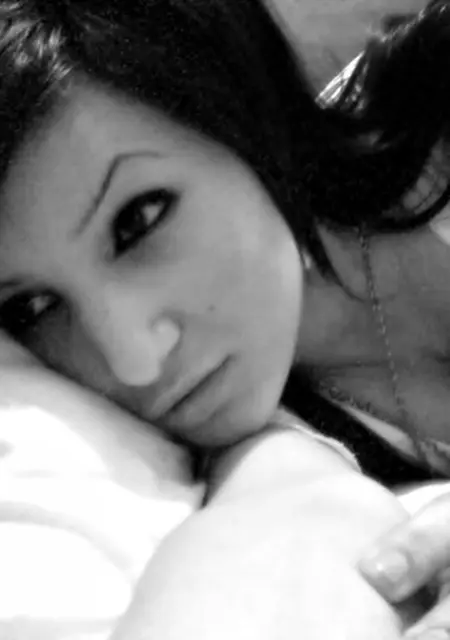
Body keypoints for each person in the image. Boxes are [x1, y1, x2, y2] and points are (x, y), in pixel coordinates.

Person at [0, 0, 448, 636]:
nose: (134, 361)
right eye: (34, 308)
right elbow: (278, 534)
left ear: (248, 116)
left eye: (140, 220)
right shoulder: (269, 447)